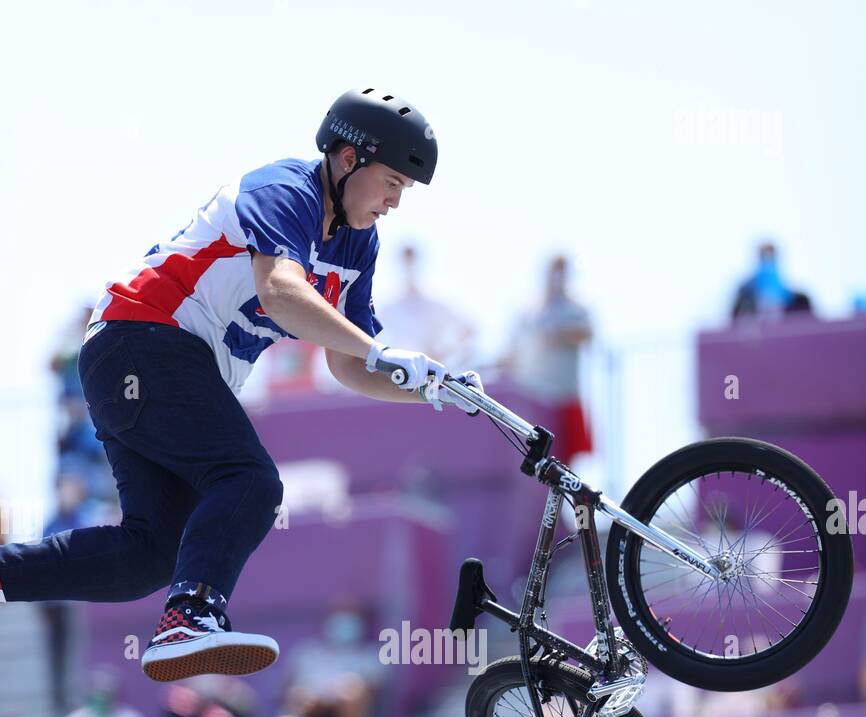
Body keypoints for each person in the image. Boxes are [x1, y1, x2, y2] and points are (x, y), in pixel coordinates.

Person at [0, 89, 483, 683]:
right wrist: (383, 349)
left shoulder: (358, 242)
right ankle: (192, 615)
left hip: (153, 367)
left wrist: (432, 388)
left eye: (403, 192)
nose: (394, 202)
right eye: (391, 182)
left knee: (152, 553)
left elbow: (347, 364)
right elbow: (282, 291)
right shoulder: (284, 190)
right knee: (249, 481)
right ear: (349, 158)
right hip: (142, 340)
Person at [504, 254, 593, 464]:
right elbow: (514, 352)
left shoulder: (577, 307)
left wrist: (559, 335)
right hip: (534, 397)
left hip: (565, 394)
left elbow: (587, 333)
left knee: (566, 463)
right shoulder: (529, 310)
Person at [731, 243, 813, 320]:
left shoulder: (777, 274)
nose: (768, 257)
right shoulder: (756, 276)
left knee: (803, 298)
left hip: (782, 301)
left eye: (770, 254)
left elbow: (783, 290)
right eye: (765, 254)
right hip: (757, 302)